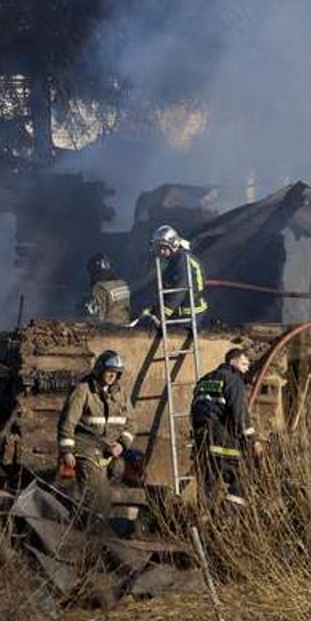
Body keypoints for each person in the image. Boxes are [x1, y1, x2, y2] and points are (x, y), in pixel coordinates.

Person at [57, 350, 133, 526]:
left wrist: (122, 444)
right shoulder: (83, 390)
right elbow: (67, 422)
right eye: (109, 371)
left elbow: (132, 424)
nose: (112, 375)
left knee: (123, 472)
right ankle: (91, 531)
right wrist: (67, 451)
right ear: (100, 370)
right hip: (86, 449)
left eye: (116, 372)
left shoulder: (121, 394)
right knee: (97, 493)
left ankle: (103, 521)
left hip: (110, 452)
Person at [191, 348, 260, 508]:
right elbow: (240, 415)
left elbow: (195, 409)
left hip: (202, 440)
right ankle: (226, 517)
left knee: (208, 487)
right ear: (233, 362)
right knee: (242, 477)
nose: (247, 368)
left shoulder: (204, 380)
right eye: (244, 364)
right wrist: (252, 441)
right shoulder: (233, 380)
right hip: (222, 439)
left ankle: (203, 523)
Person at [149, 225, 207, 326]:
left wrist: (163, 313)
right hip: (181, 310)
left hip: (190, 313)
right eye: (158, 248)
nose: (160, 252)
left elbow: (180, 289)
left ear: (173, 245)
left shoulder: (182, 261)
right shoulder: (174, 260)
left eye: (163, 248)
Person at [81, 254, 131, 324]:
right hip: (127, 329)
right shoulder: (123, 284)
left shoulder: (100, 288)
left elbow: (97, 319)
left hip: (109, 331)